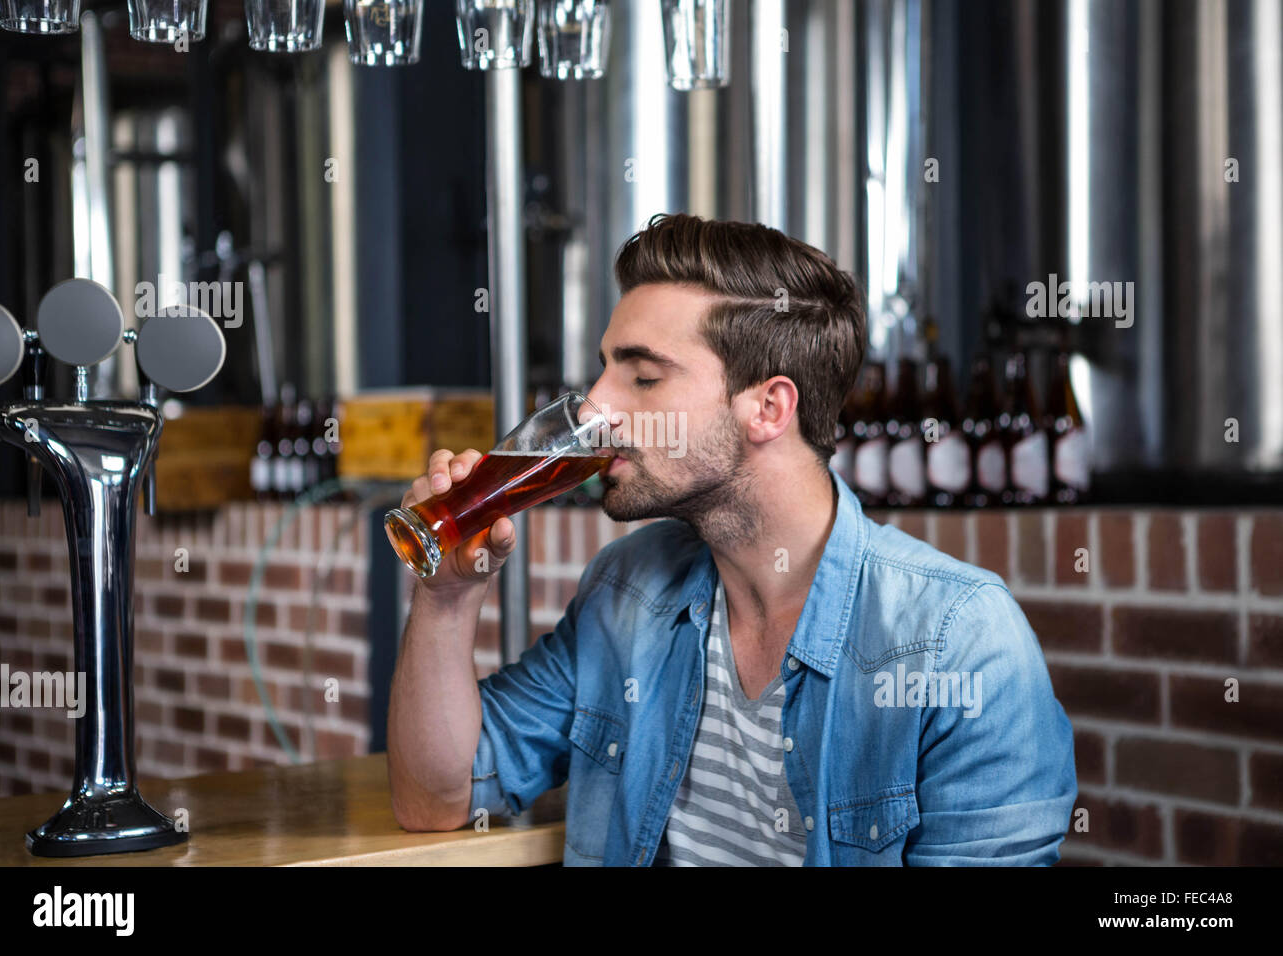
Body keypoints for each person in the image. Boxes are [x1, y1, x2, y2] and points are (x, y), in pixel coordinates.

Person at [387, 213, 1077, 866]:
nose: (594, 406)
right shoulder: (627, 591)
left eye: (644, 376)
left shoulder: (960, 641)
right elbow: (438, 799)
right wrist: (448, 597)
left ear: (769, 408)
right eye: (604, 368)